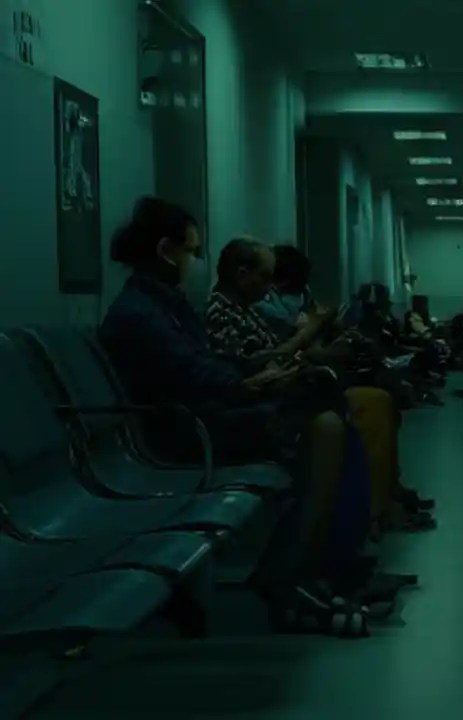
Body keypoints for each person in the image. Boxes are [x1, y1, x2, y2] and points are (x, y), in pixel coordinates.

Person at [99, 198, 367, 636]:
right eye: (194, 251)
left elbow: (205, 360)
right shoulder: (139, 315)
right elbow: (193, 371)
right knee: (324, 428)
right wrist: (248, 385)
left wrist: (254, 374)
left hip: (200, 417)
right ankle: (289, 574)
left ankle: (310, 567)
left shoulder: (164, 305)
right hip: (181, 433)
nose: (200, 262)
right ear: (167, 251)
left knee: (324, 410)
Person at [205, 238, 436, 532]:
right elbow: (254, 369)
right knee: (368, 403)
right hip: (270, 401)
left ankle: (382, 500)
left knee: (375, 393)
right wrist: (311, 338)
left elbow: (275, 354)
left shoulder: (245, 310)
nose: (269, 288)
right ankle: (372, 514)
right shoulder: (221, 314)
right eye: (265, 278)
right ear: (241, 274)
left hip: (289, 385)